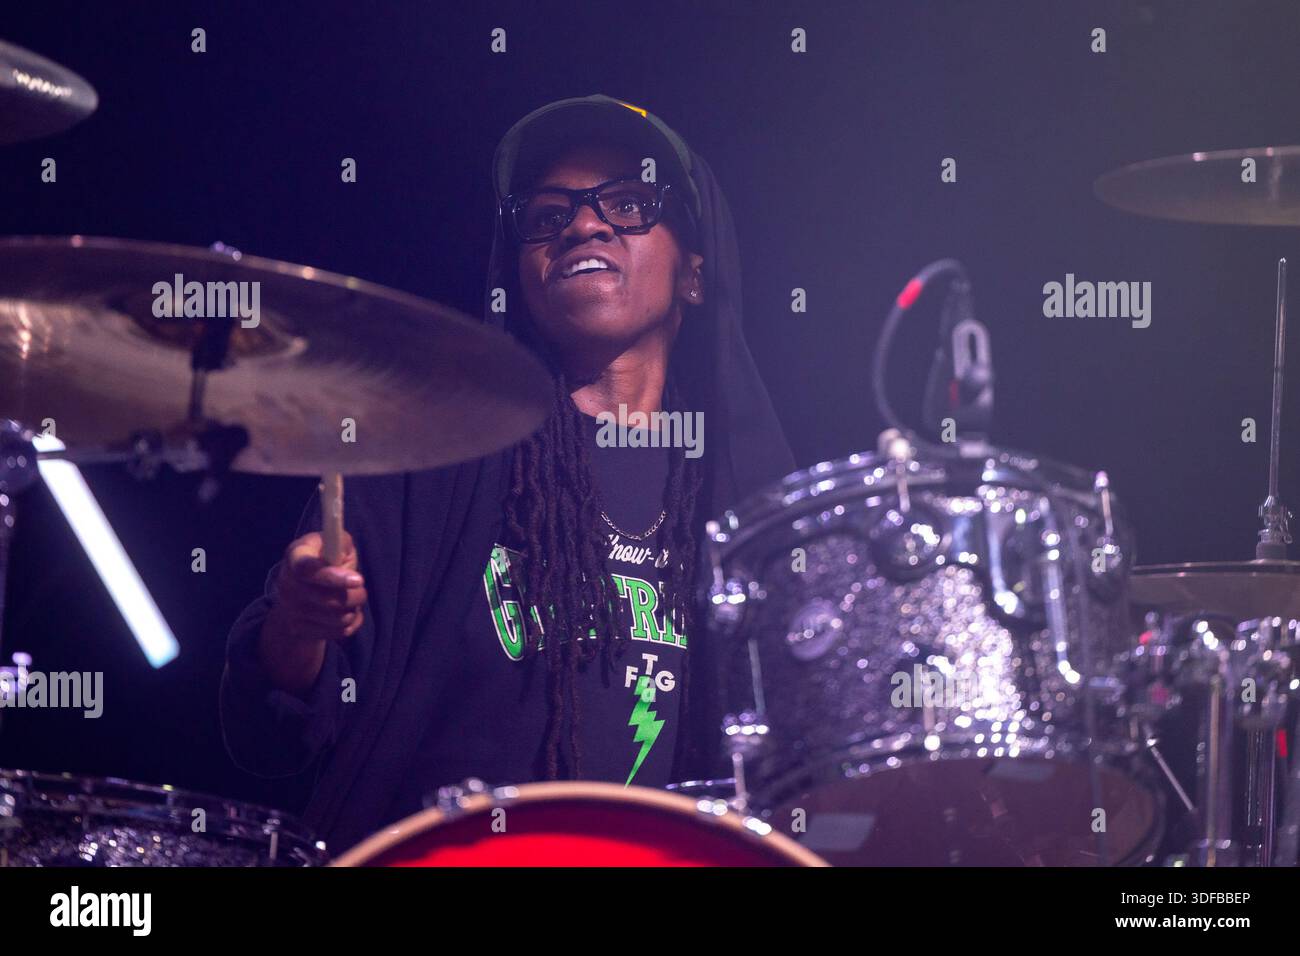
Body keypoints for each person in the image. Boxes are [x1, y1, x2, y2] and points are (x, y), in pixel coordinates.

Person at [220, 94, 793, 854]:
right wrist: (297, 626)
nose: (584, 225)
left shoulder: (745, 502)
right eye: (548, 215)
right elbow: (273, 736)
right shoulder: (430, 452)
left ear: (694, 272)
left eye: (627, 202)